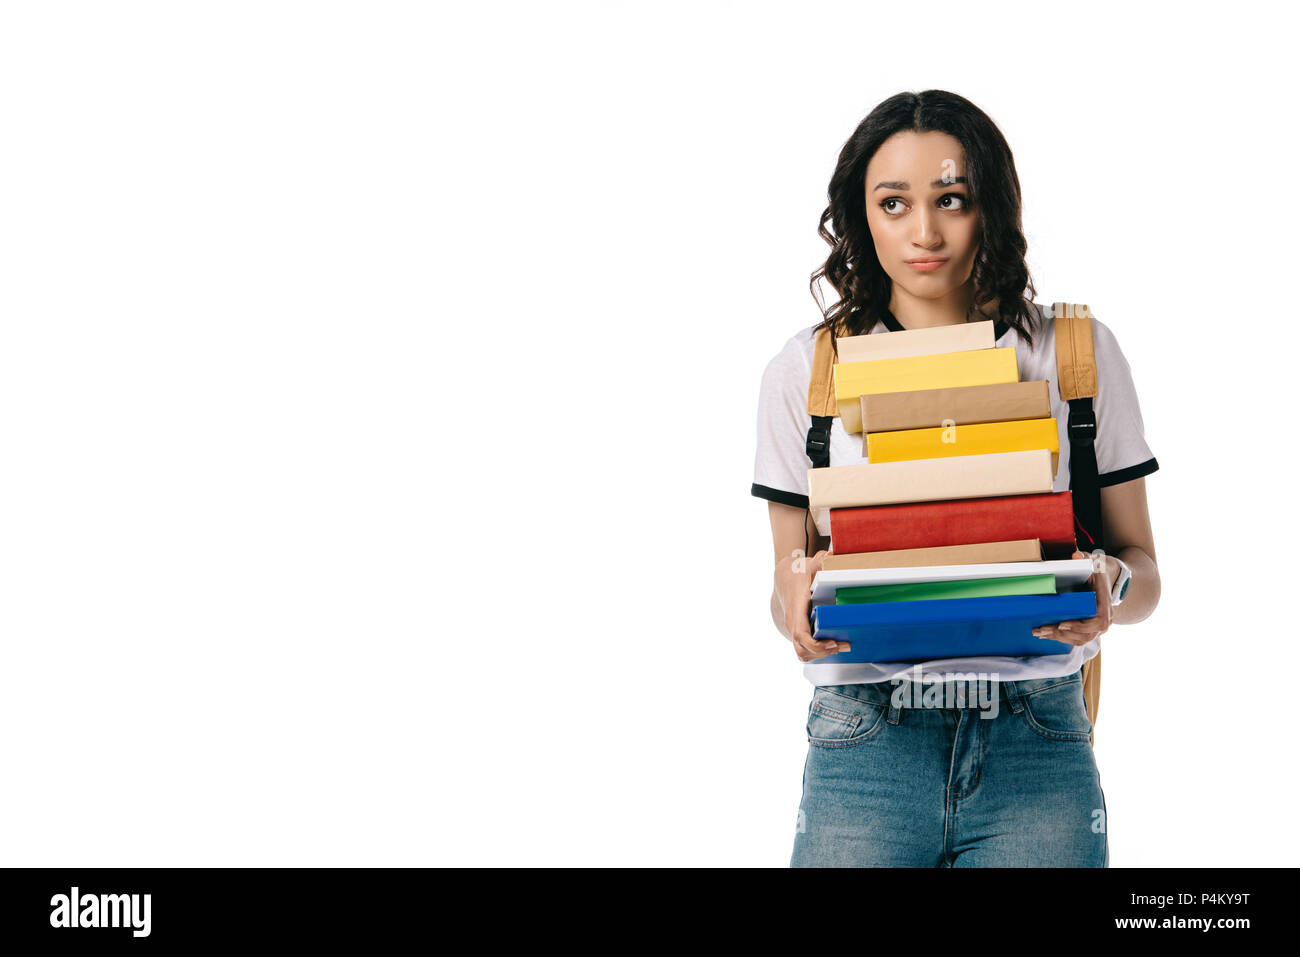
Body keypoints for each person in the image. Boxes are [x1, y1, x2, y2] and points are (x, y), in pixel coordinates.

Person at [751, 90, 1161, 867]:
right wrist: (794, 603)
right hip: (864, 740)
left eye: (951, 198)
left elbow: (1144, 570)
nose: (924, 232)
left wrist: (1111, 583)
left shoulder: (1076, 352)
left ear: (992, 208)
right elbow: (785, 583)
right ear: (859, 215)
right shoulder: (807, 370)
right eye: (894, 203)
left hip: (1036, 739)